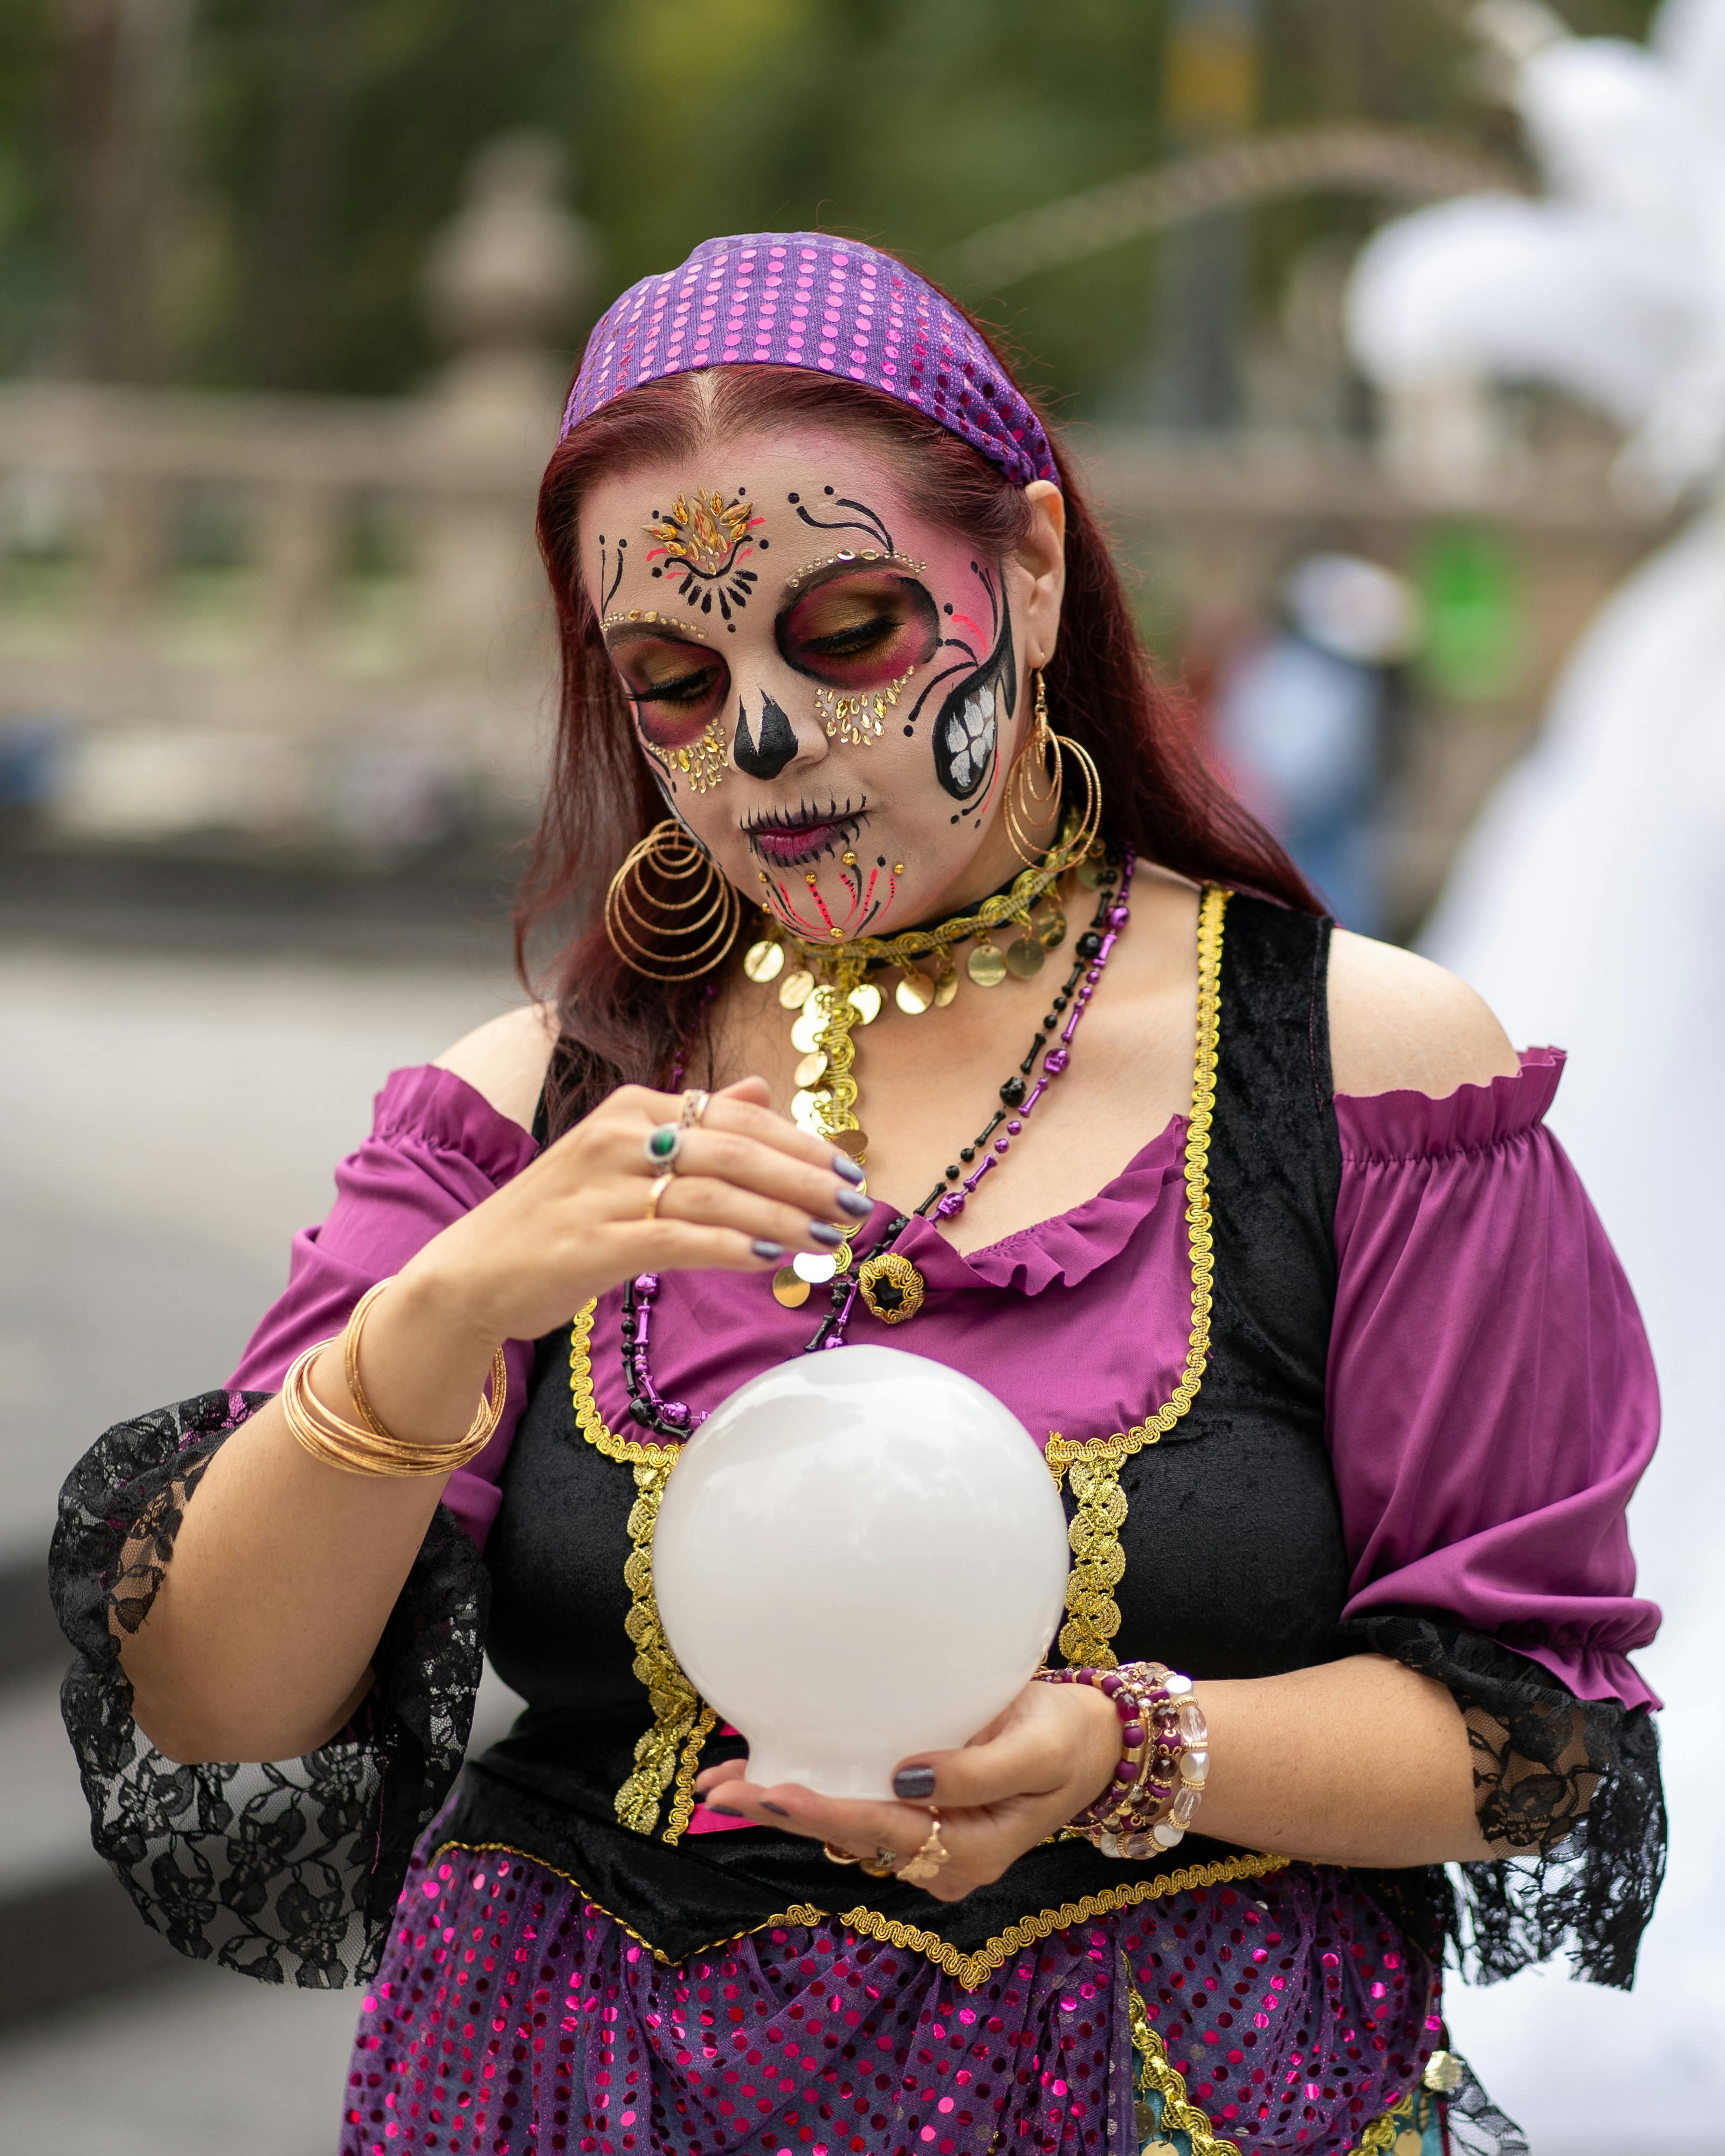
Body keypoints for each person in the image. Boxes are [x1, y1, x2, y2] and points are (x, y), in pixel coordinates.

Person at [51, 234, 1662, 2156]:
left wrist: (1137, 1752)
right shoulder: (528, 1114)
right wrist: (432, 1322)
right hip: (583, 2091)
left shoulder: (1360, 1071)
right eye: (669, 674)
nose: (761, 745)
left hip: (1178, 2091)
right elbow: (226, 1704)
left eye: (849, 635)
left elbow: (1539, 1739)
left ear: (1036, 572)